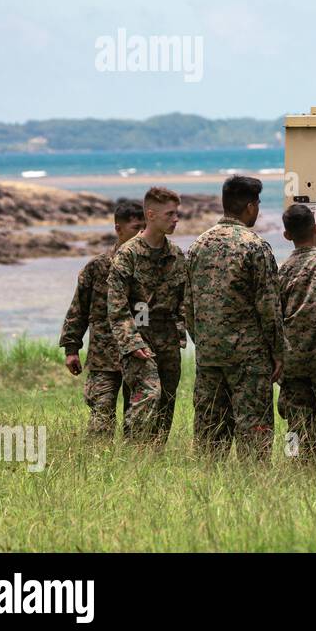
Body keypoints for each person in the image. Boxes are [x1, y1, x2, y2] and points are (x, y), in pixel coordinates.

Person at [184, 175, 284, 461]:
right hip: (248, 359)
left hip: (209, 356)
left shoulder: (197, 247)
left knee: (209, 435)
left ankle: (206, 490)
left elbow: (187, 306)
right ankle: (251, 490)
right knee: (255, 434)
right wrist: (278, 353)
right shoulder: (255, 247)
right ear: (251, 207)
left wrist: (203, 340)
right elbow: (269, 307)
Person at [107, 186, 186, 445]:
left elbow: (185, 301)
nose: (176, 219)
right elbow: (117, 307)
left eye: (177, 214)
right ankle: (134, 453)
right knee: (148, 394)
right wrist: (131, 343)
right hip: (139, 338)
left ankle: (154, 458)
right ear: (151, 215)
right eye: (170, 214)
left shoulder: (176, 255)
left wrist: (184, 333)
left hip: (168, 339)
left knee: (166, 402)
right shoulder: (127, 255)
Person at [59, 198, 145, 438]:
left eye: (143, 228)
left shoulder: (148, 266)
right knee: (101, 416)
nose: (139, 234)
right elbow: (78, 309)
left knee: (137, 421)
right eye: (134, 228)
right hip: (103, 356)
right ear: (118, 228)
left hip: (138, 355)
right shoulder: (97, 266)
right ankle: (96, 467)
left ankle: (135, 467)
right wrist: (71, 348)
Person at [277, 204, 316, 461]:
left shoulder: (281, 271)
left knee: (296, 426)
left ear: (286, 236)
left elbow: (274, 316)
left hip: (293, 362)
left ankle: (299, 466)